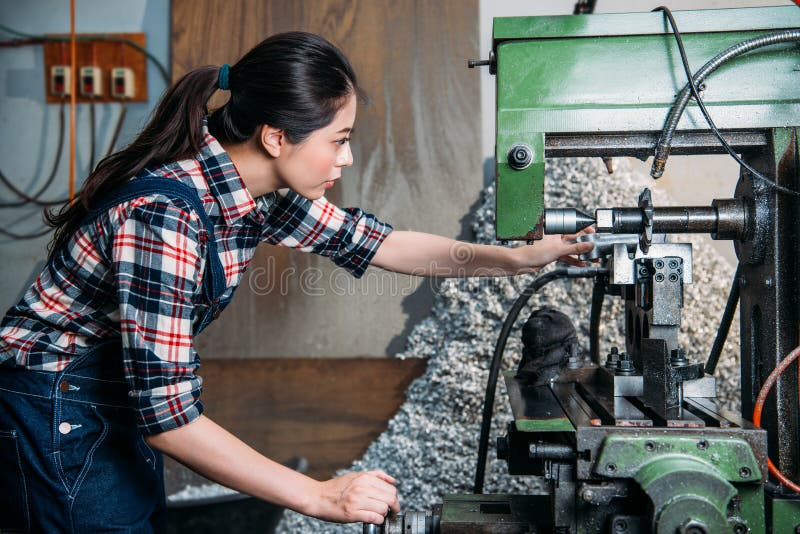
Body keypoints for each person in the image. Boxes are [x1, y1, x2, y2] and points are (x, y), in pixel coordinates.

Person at [0, 32, 592, 533]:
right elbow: (169, 418)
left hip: (107, 403)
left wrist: (518, 259)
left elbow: (384, 245)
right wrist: (318, 495)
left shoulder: (251, 194)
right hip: (56, 410)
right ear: (276, 137)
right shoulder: (168, 217)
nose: (347, 159)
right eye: (339, 140)